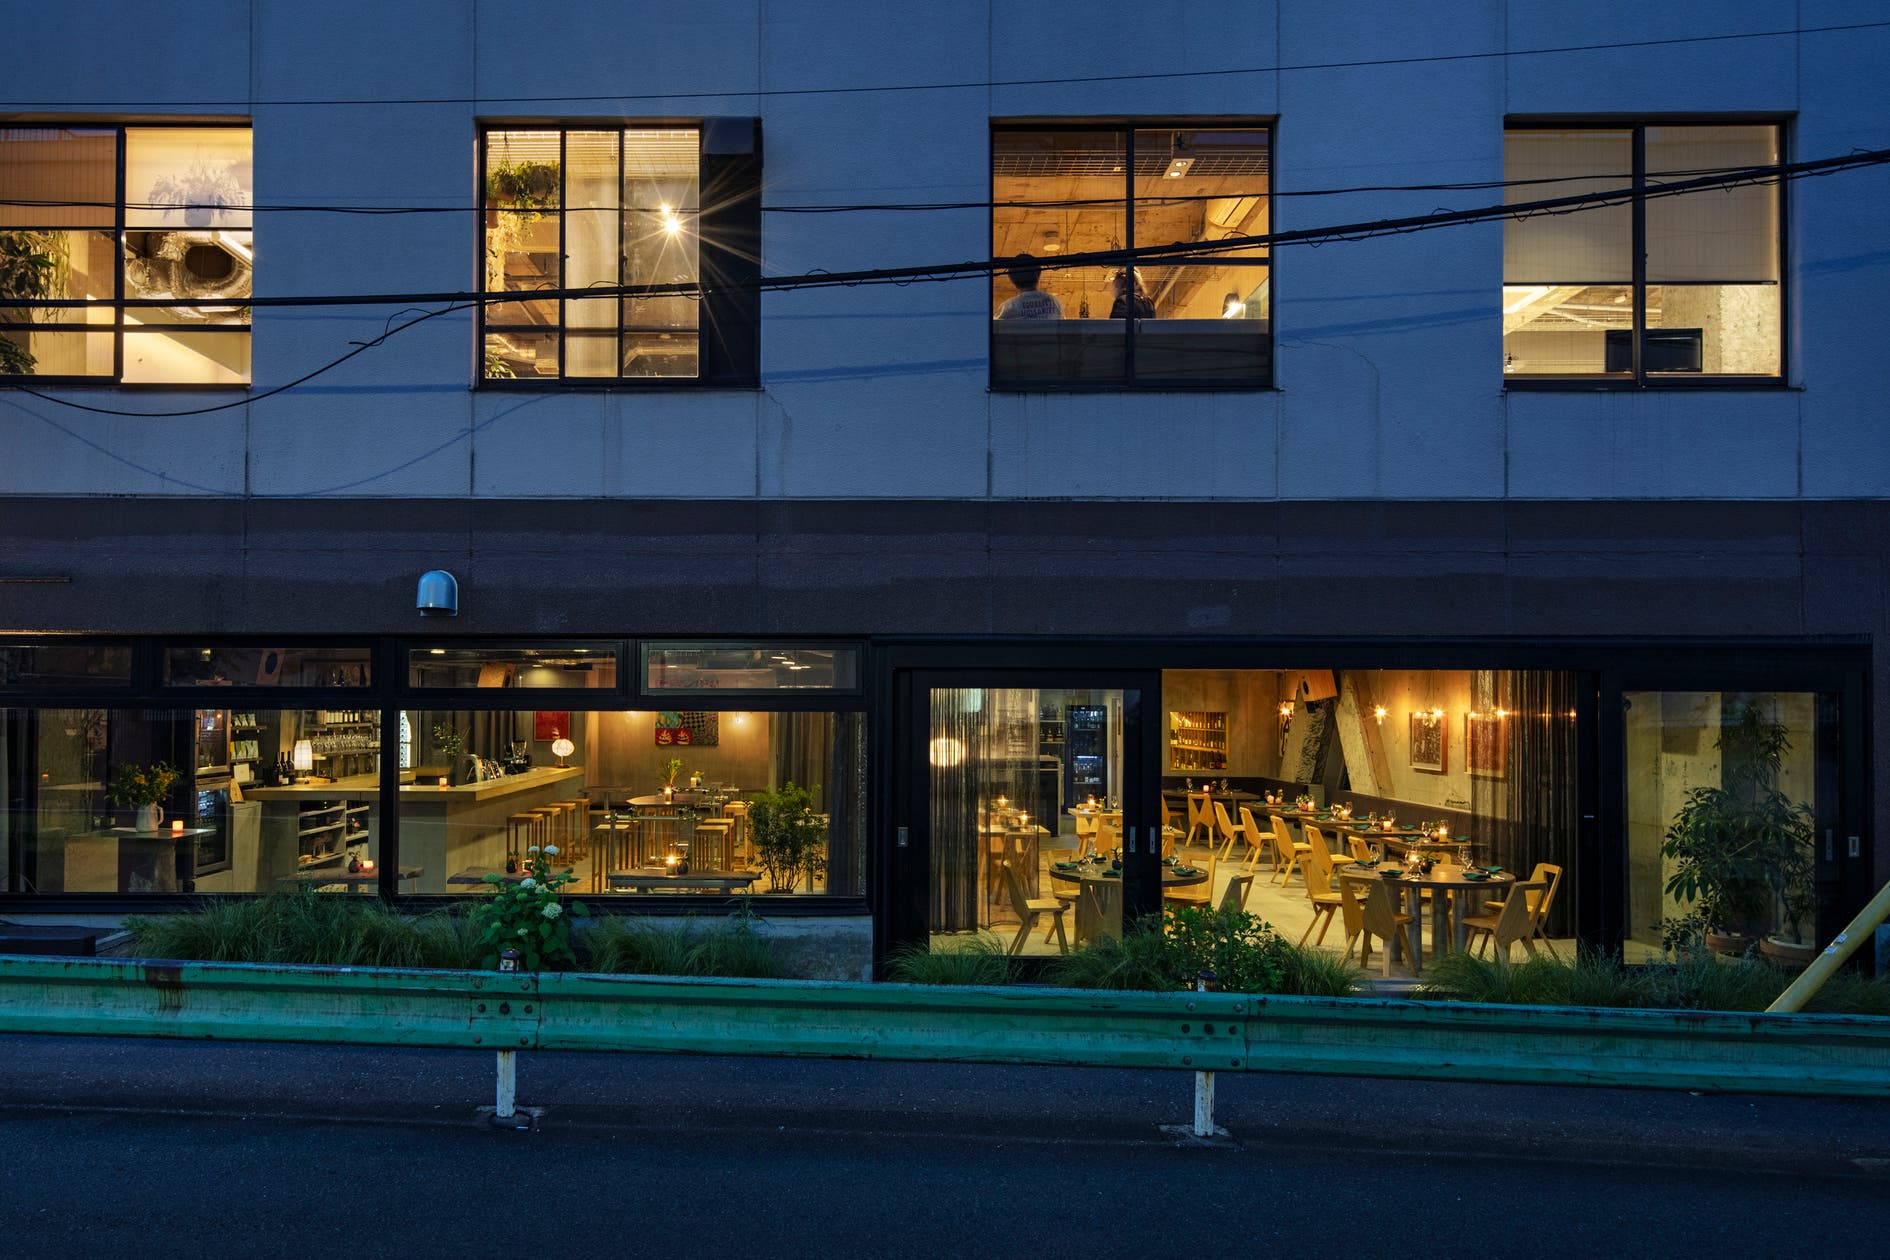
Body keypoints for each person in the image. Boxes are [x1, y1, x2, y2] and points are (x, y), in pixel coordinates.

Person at [995, 254, 1064, 319]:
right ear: (1038, 274)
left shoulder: (1008, 307)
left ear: (1012, 279)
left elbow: (993, 328)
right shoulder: (1054, 302)